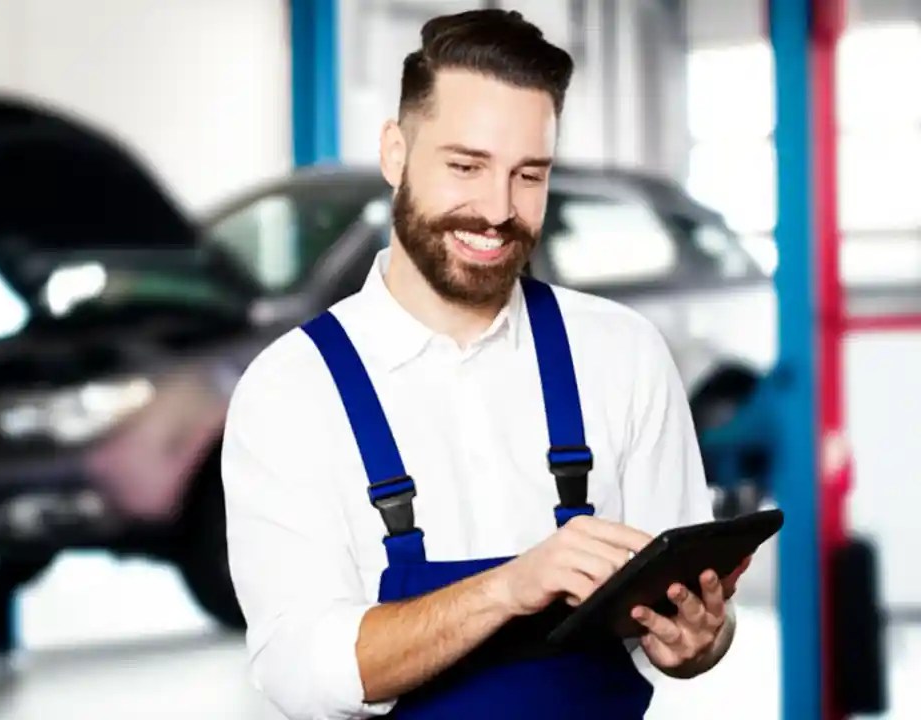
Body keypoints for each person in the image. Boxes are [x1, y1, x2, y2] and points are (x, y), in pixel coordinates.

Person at [220, 9, 749, 719]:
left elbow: (680, 628)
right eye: (465, 166)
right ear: (395, 154)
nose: (497, 210)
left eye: (528, 174)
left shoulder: (623, 355)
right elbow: (300, 671)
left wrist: (698, 640)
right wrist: (510, 587)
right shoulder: (291, 391)